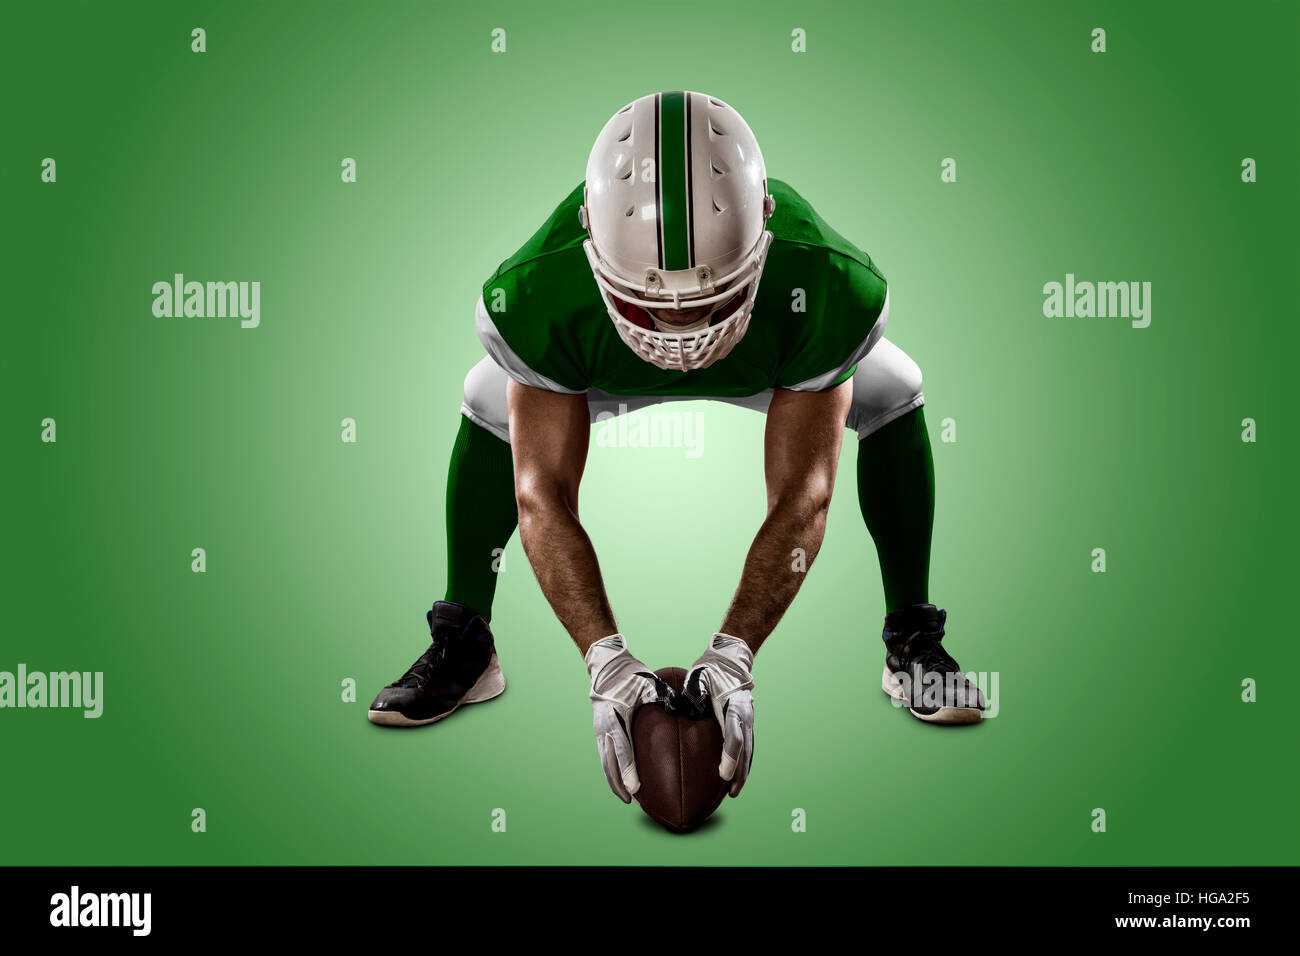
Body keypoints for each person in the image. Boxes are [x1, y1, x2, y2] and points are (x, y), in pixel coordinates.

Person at [368, 91, 985, 804]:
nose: (678, 329)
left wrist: (734, 655)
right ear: (588, 239)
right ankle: (466, 641)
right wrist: (605, 660)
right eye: (649, 301)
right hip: (606, 365)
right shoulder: (540, 291)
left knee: (895, 388)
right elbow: (545, 497)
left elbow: (803, 497)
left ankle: (911, 636)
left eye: (709, 300)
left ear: (768, 239)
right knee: (487, 400)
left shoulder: (820, 280)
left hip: (767, 357)